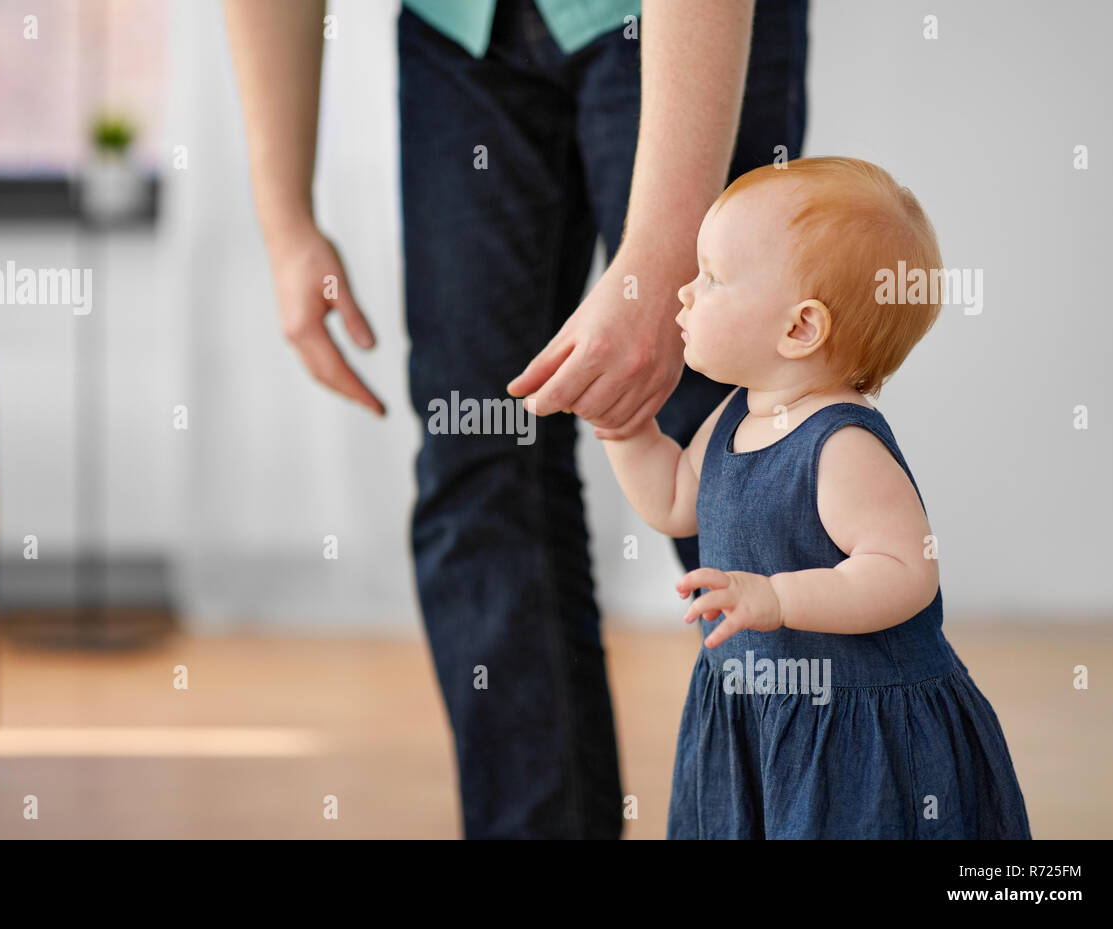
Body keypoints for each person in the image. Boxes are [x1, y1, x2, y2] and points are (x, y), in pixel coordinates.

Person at [224, 0, 809, 838]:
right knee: (481, 452)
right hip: (459, 34)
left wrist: (656, 263)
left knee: (738, 439)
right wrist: (285, 224)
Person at [600, 156, 1032, 838]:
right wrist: (623, 429)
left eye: (711, 277)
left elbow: (904, 570)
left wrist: (777, 598)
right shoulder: (739, 411)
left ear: (800, 328)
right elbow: (678, 498)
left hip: (855, 731)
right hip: (755, 709)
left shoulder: (841, 445)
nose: (684, 293)